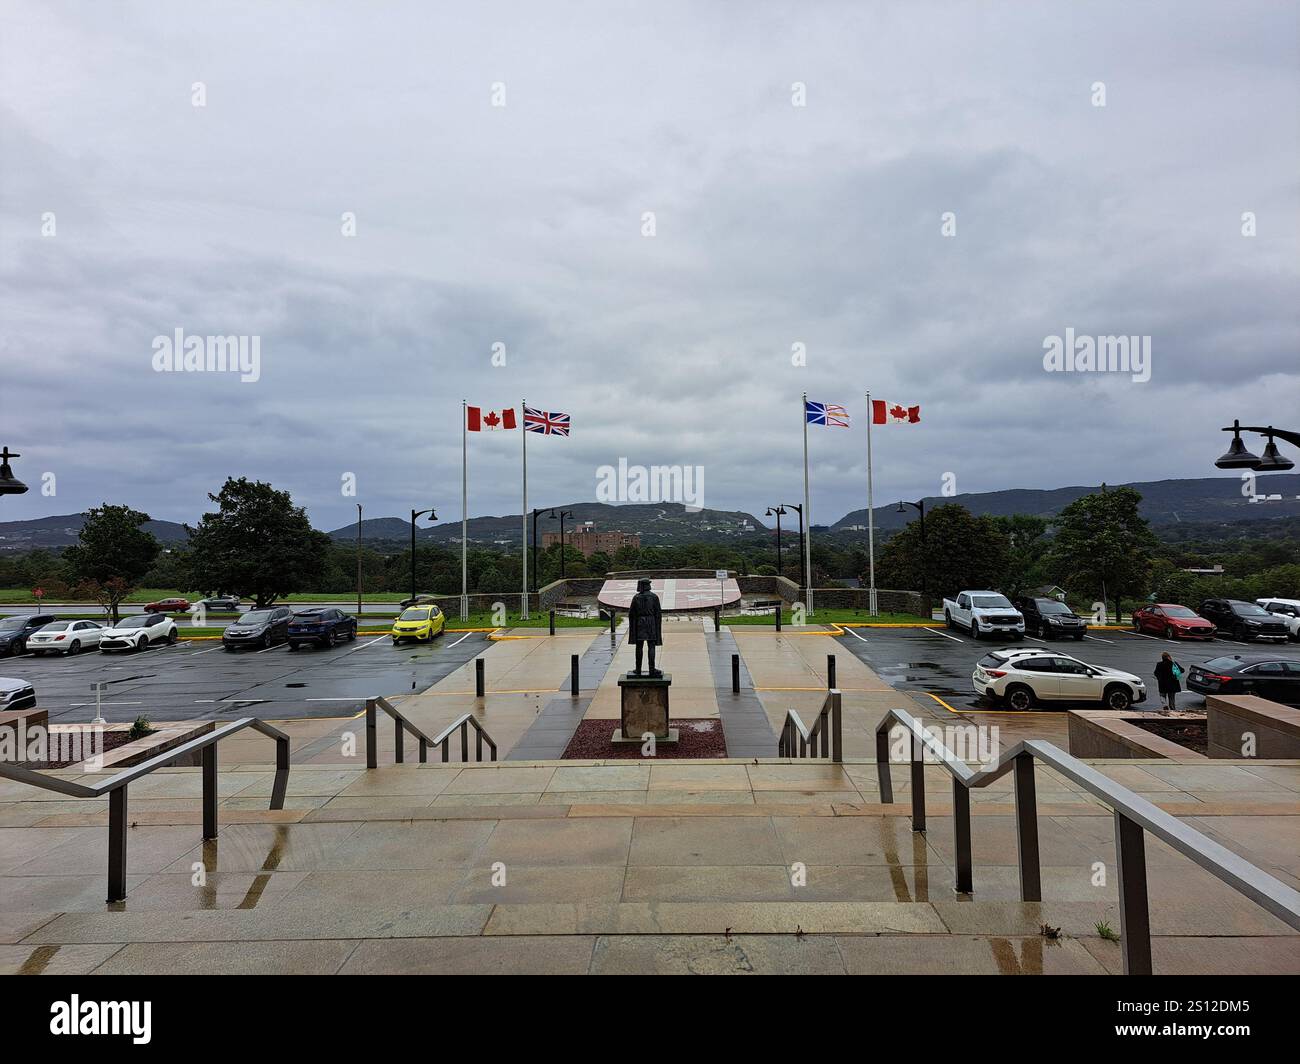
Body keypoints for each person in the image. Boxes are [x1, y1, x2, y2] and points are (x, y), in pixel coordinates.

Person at [627, 578, 663, 677]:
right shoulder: (654, 597)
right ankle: (652, 669)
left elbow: (631, 613)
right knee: (651, 646)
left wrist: (634, 624)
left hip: (640, 623)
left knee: (639, 646)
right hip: (651, 623)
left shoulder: (636, 597)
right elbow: (658, 614)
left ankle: (638, 669)